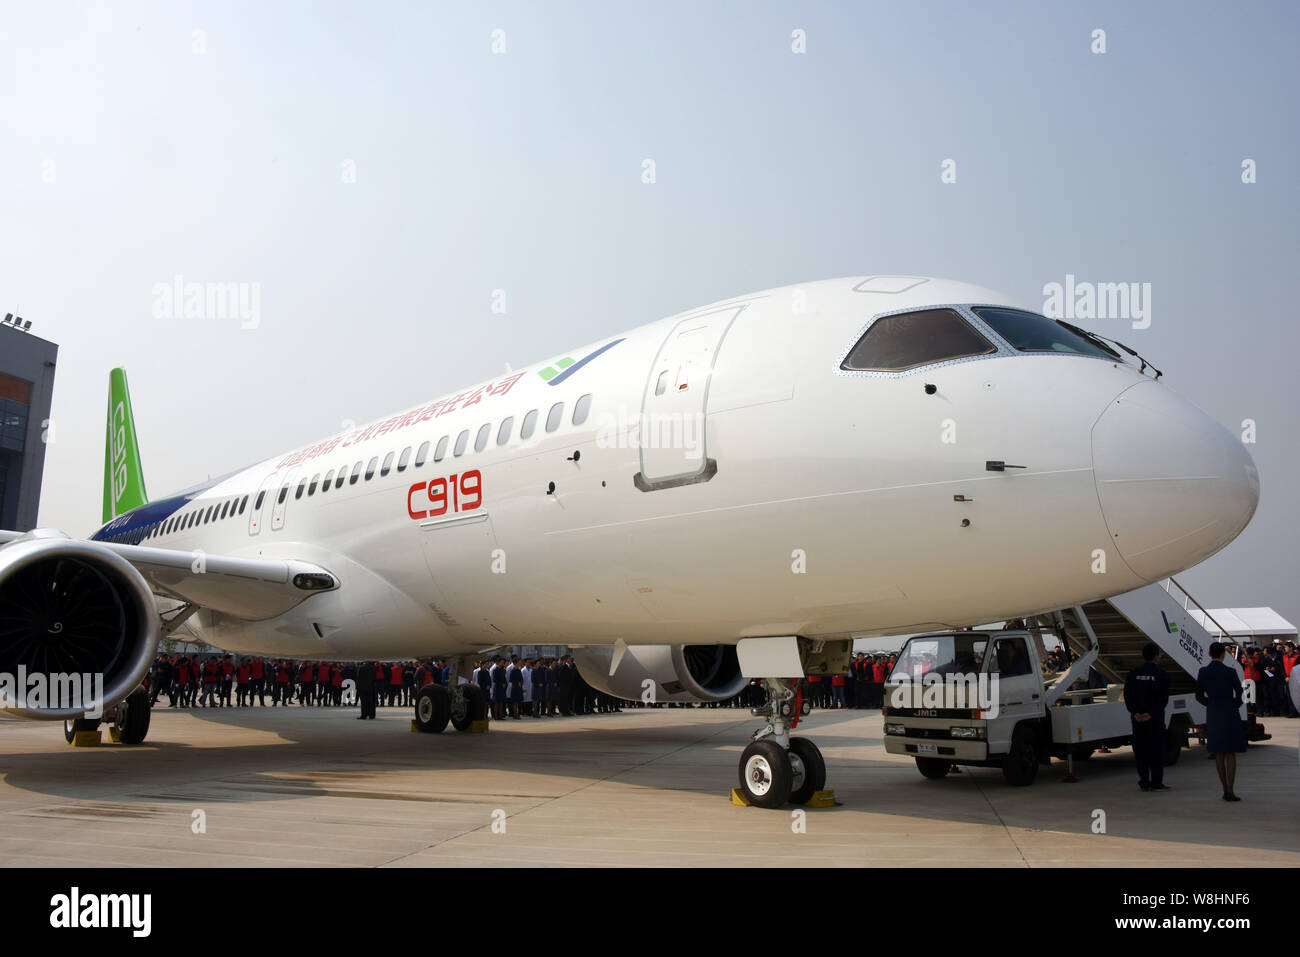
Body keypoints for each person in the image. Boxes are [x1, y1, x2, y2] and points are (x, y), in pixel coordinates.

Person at [1196, 642, 1247, 801]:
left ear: (1210, 654)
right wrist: (1233, 705)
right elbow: (1240, 693)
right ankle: (1231, 790)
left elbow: (1198, 695)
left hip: (1214, 712)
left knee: (1218, 752)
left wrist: (1211, 704)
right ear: (1223, 654)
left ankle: (1224, 788)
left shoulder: (1203, 672)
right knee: (1231, 752)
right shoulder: (1230, 672)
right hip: (1230, 712)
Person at [1124, 642, 1171, 791]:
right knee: (1156, 751)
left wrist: (1135, 713)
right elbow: (1163, 699)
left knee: (1141, 751)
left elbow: (1127, 696)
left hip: (1137, 720)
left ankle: (1144, 780)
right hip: (1155, 720)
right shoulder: (1162, 674)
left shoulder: (1133, 673)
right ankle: (1156, 782)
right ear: (1156, 657)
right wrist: (1150, 714)